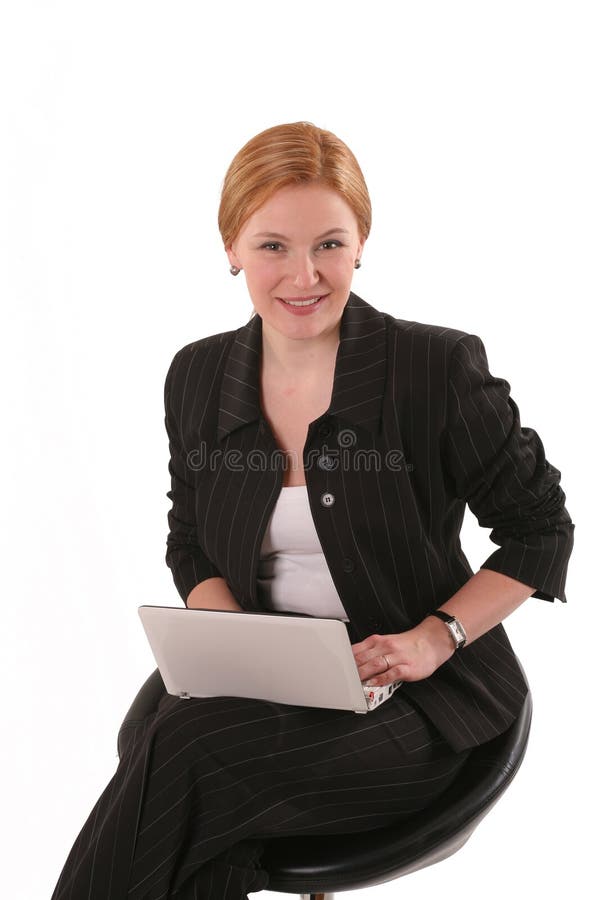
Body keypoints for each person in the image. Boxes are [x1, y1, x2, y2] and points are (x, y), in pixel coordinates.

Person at [51, 122, 575, 899]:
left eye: (328, 244)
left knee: (189, 758)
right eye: (272, 247)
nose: (305, 275)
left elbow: (540, 529)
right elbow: (190, 537)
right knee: (160, 747)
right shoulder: (198, 375)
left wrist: (438, 637)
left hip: (418, 699)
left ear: (362, 241)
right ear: (230, 247)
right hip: (268, 670)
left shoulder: (435, 368)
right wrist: (233, 641)